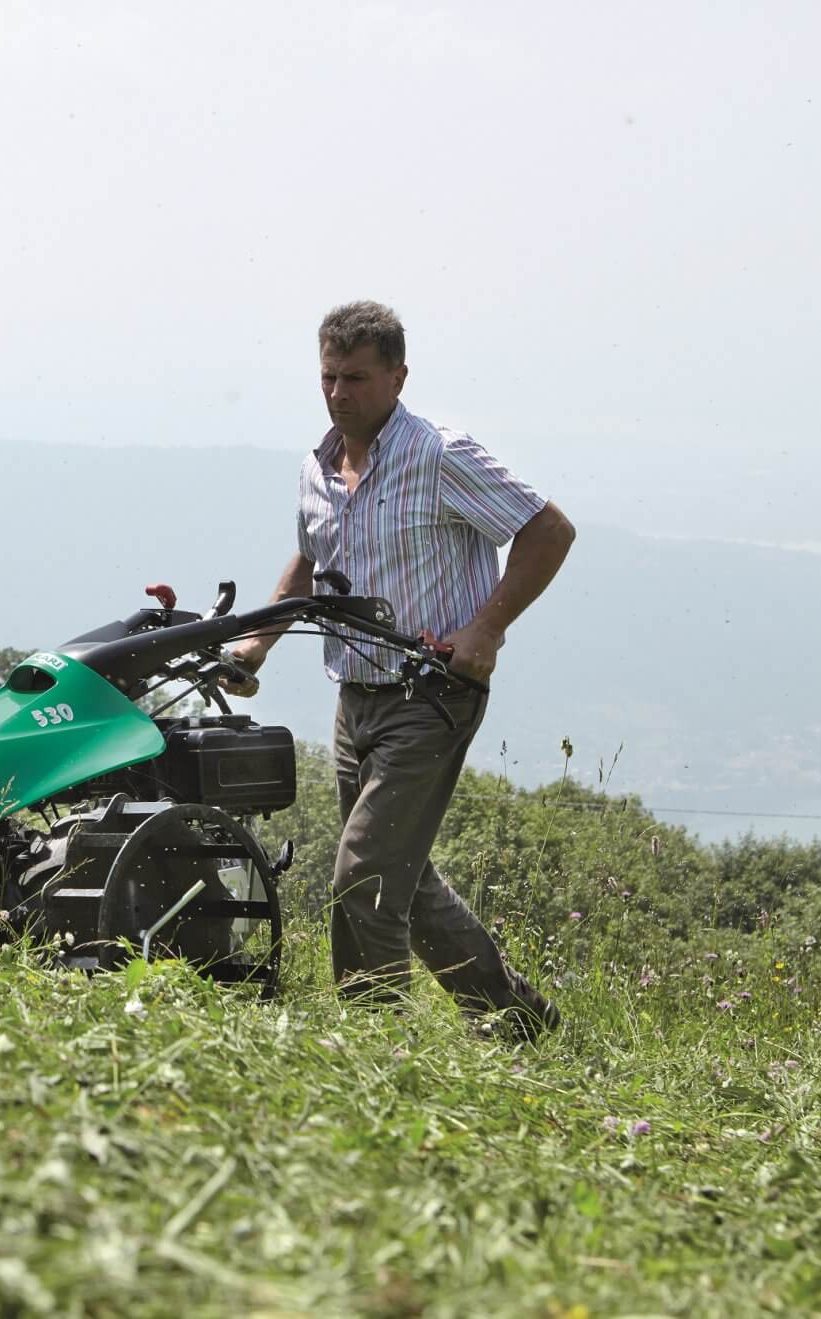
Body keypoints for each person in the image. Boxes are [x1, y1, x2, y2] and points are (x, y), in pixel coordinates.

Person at [225, 301, 575, 1039]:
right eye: (328, 377)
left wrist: (487, 627)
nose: (338, 393)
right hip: (355, 698)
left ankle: (374, 1051)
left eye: (356, 377)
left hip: (432, 694)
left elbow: (549, 530)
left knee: (364, 878)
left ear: (397, 376)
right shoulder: (317, 470)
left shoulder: (439, 454)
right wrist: (257, 641)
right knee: (402, 884)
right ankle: (522, 1026)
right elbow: (310, 566)